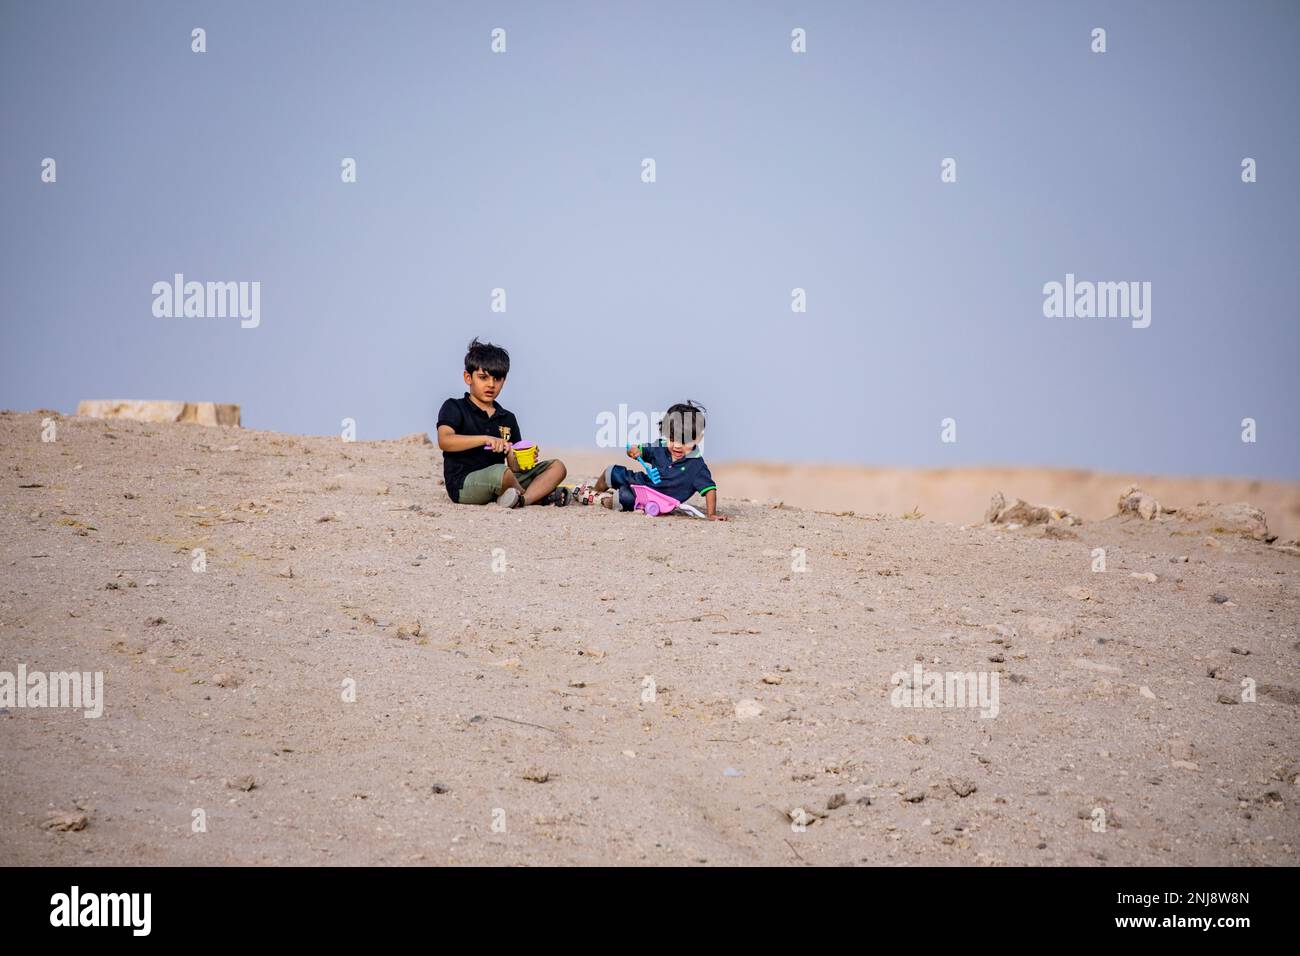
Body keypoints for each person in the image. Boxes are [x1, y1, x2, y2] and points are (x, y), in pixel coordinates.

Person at [435, 338, 568, 507]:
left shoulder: (507, 418)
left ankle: (522, 500)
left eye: (497, 379)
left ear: (504, 381)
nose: (491, 385)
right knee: (501, 473)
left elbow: (514, 468)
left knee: (557, 467)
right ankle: (538, 497)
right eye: (483, 378)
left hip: (505, 481)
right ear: (468, 377)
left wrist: (518, 454)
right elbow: (445, 441)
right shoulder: (454, 406)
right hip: (464, 484)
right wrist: (485, 439)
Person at [584, 400, 726, 520]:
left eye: (684, 441)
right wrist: (633, 451)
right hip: (640, 484)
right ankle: (594, 491)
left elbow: (710, 489)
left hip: (655, 501)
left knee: (623, 498)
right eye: (672, 439)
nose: (676, 445)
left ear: (698, 438)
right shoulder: (660, 447)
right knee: (612, 471)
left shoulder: (697, 466)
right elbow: (638, 450)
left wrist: (711, 514)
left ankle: (603, 499)